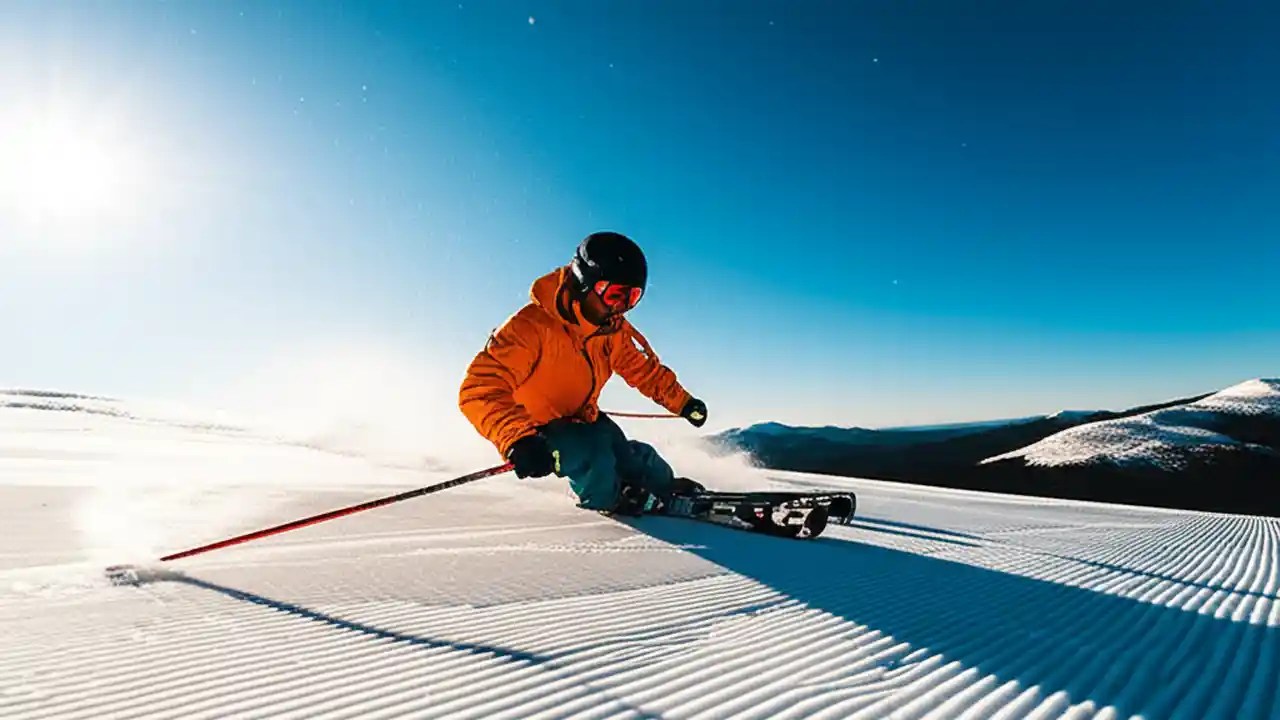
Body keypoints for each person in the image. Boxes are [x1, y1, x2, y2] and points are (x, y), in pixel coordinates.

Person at [459, 231, 707, 514]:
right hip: (537, 430)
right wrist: (518, 439)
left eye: (632, 296)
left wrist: (683, 403)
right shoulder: (531, 327)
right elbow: (479, 389)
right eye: (616, 294)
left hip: (582, 417)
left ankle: (664, 487)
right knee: (595, 458)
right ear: (584, 283)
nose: (622, 306)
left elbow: (644, 372)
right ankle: (612, 502)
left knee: (629, 456)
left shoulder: (611, 331)